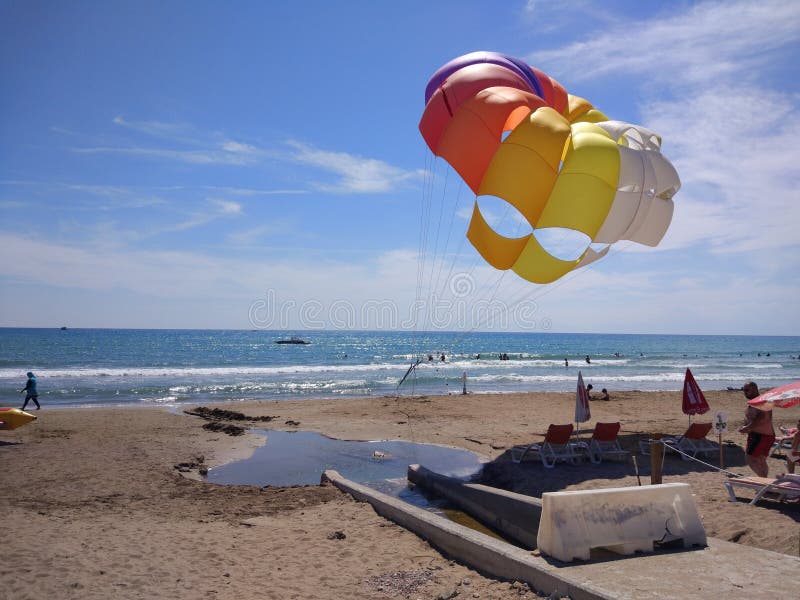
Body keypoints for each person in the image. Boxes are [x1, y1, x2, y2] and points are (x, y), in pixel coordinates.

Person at [737, 381, 775, 477]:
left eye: (747, 390)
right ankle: (765, 482)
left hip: (759, 436)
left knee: (750, 459)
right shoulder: (761, 400)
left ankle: (763, 482)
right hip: (767, 435)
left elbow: (761, 418)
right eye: (743, 390)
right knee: (761, 460)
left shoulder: (761, 401)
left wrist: (747, 428)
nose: (744, 392)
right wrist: (747, 426)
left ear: (754, 389)